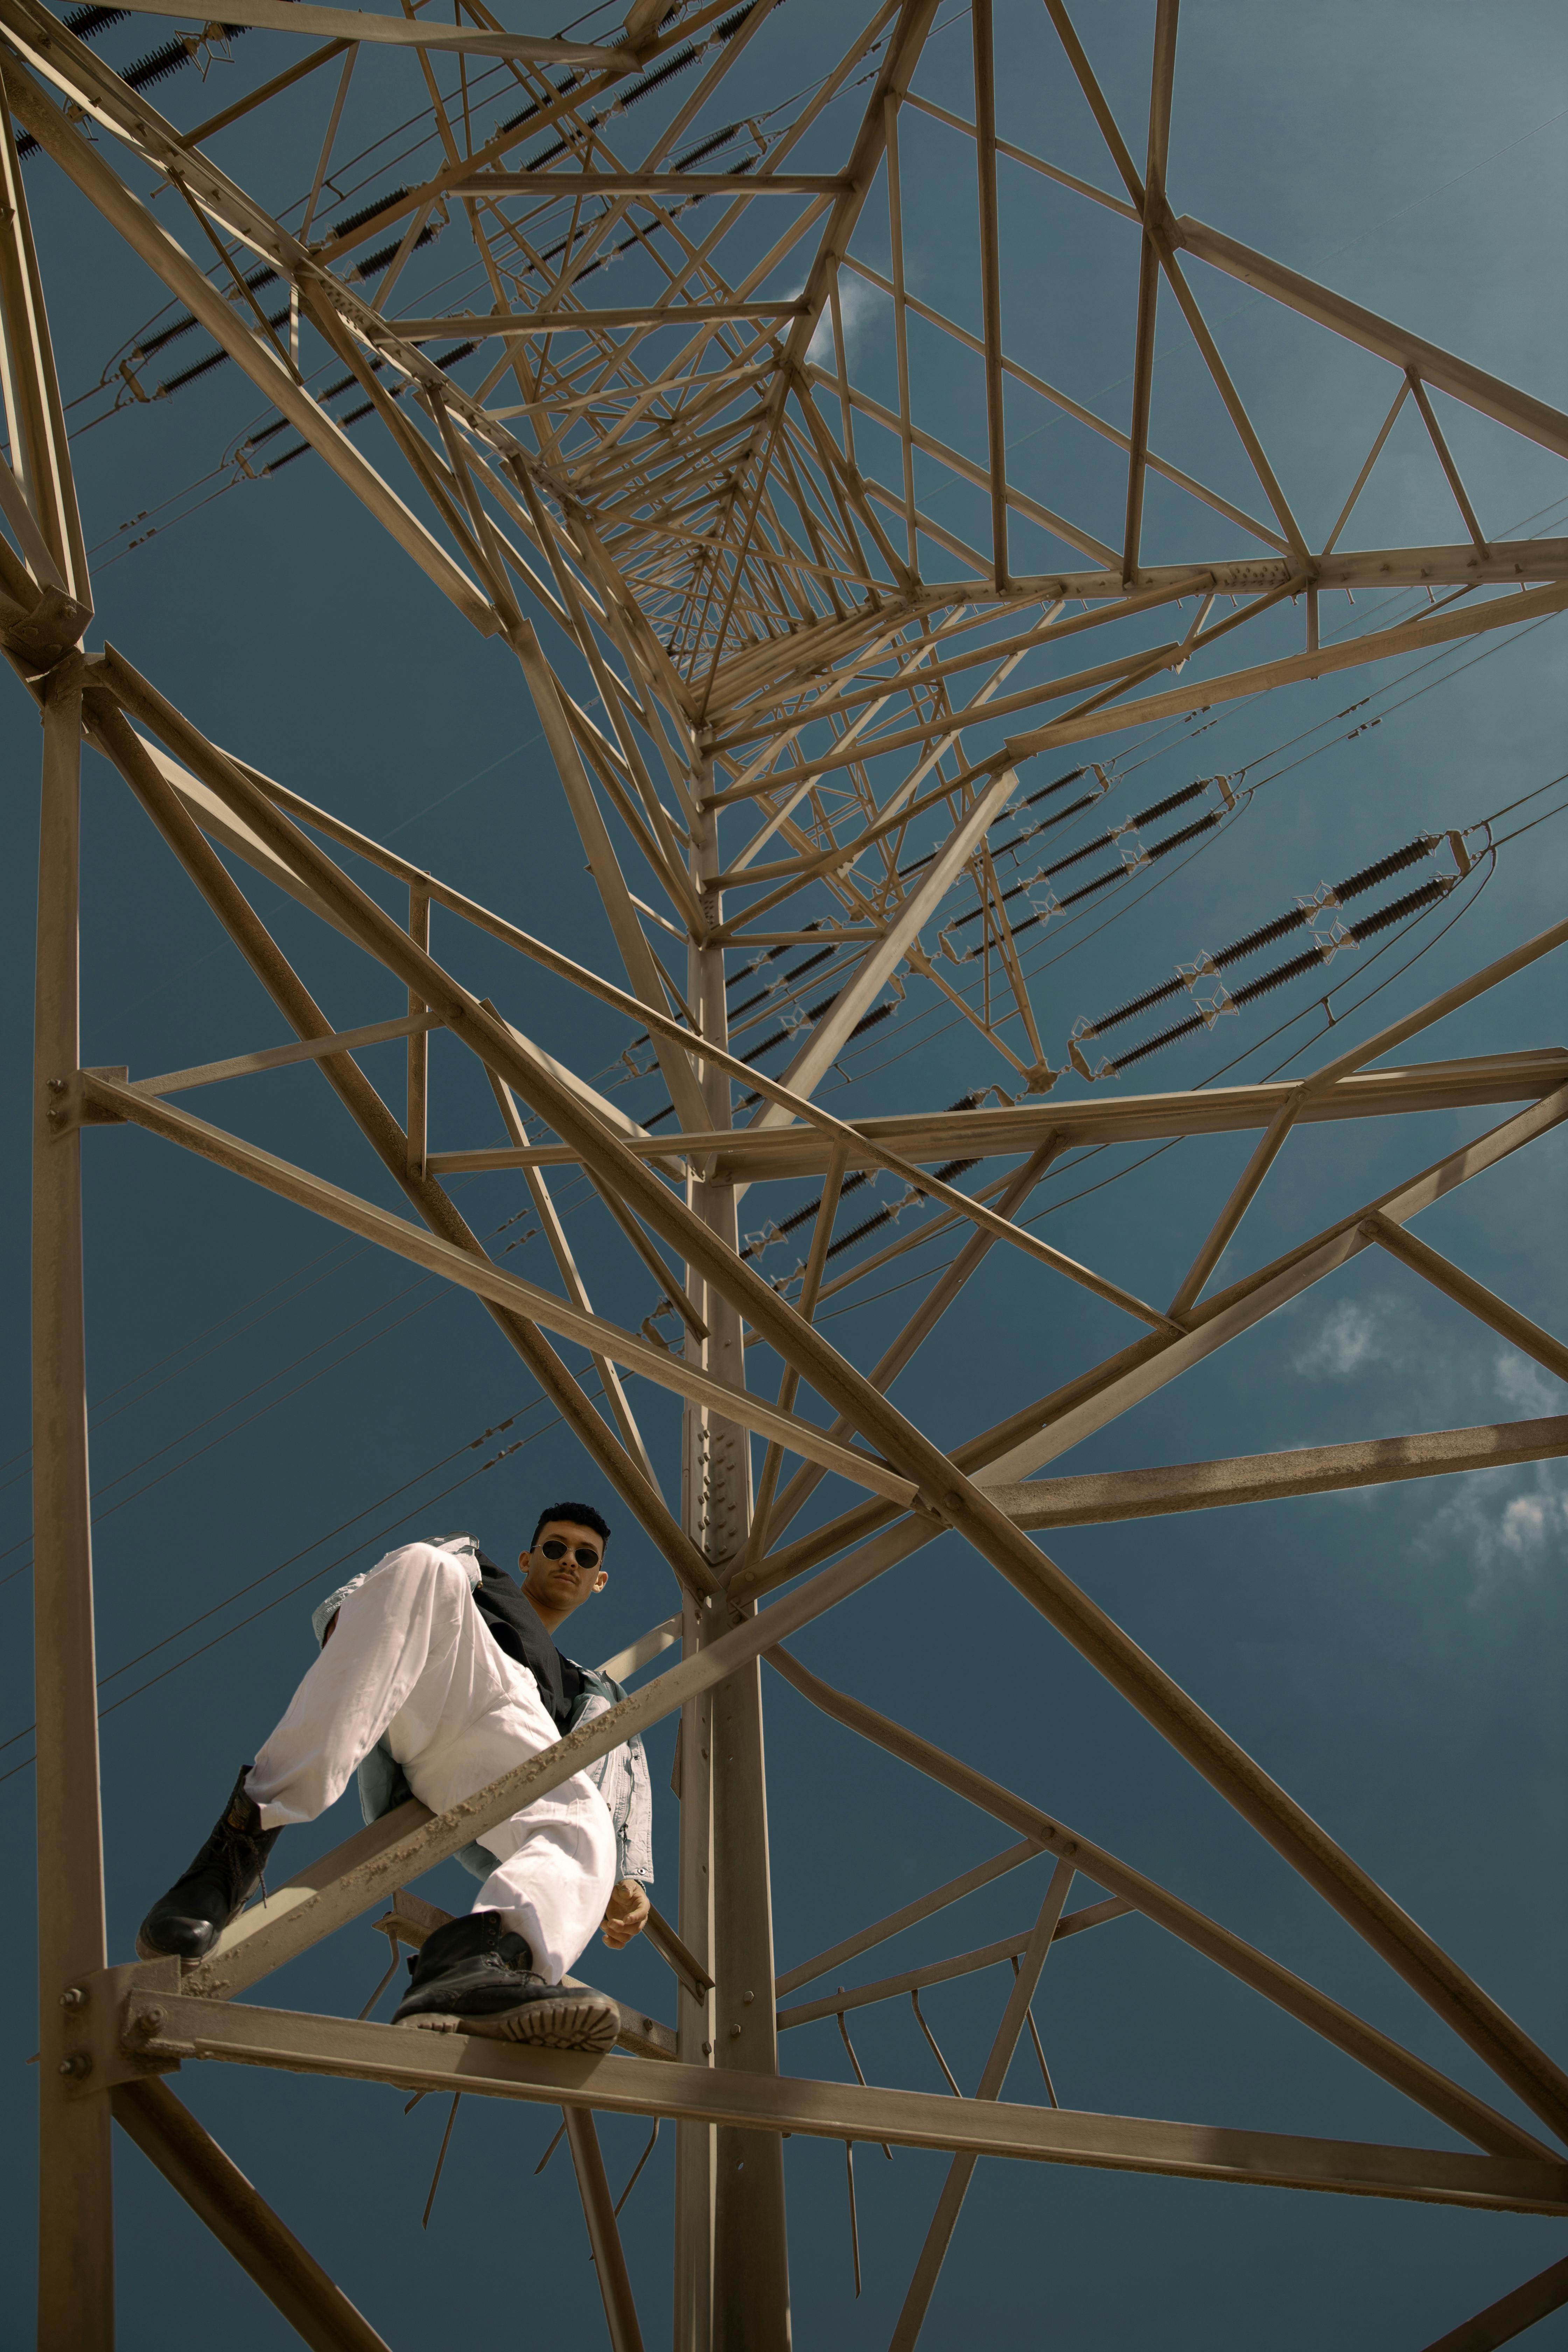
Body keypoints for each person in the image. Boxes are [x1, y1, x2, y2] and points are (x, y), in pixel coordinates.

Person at [136, 1504, 653, 2053]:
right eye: (555, 1547)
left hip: (518, 1738)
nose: (569, 1560)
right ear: (528, 1559)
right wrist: (363, 1625)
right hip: (447, 1667)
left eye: (585, 1557)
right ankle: (236, 1849)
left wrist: (630, 1875)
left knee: (582, 1816)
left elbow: (623, 1779)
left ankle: (481, 1967)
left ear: (599, 1580)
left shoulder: (590, 1691)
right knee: (425, 1563)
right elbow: (387, 1592)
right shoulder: (478, 1574)